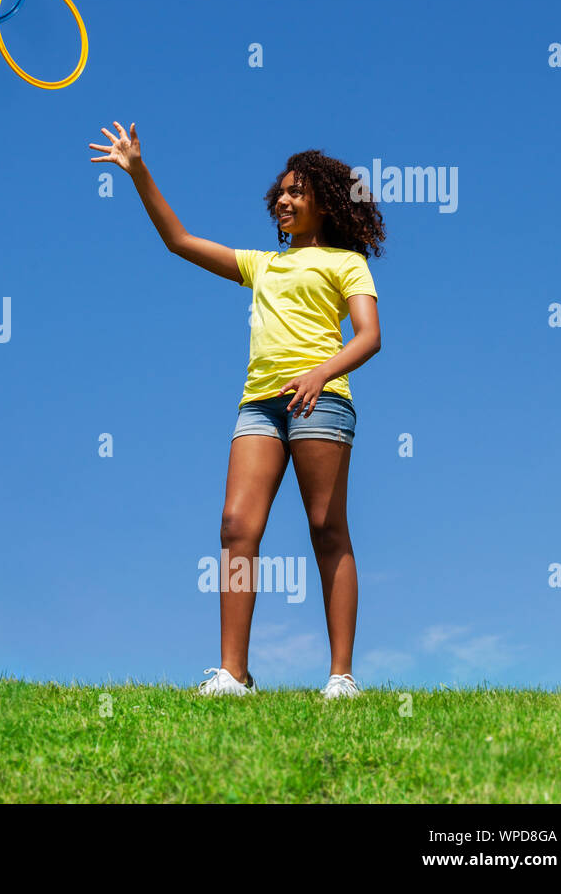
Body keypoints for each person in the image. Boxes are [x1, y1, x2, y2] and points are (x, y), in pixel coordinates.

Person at [89, 122, 385, 699]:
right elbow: (178, 240)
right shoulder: (261, 264)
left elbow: (369, 336)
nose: (284, 199)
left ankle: (341, 676)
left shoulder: (347, 264)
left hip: (321, 401)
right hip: (259, 407)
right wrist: (138, 171)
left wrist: (321, 372)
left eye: (297, 191)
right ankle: (233, 673)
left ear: (324, 203)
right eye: (280, 191)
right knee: (235, 528)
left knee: (327, 530)